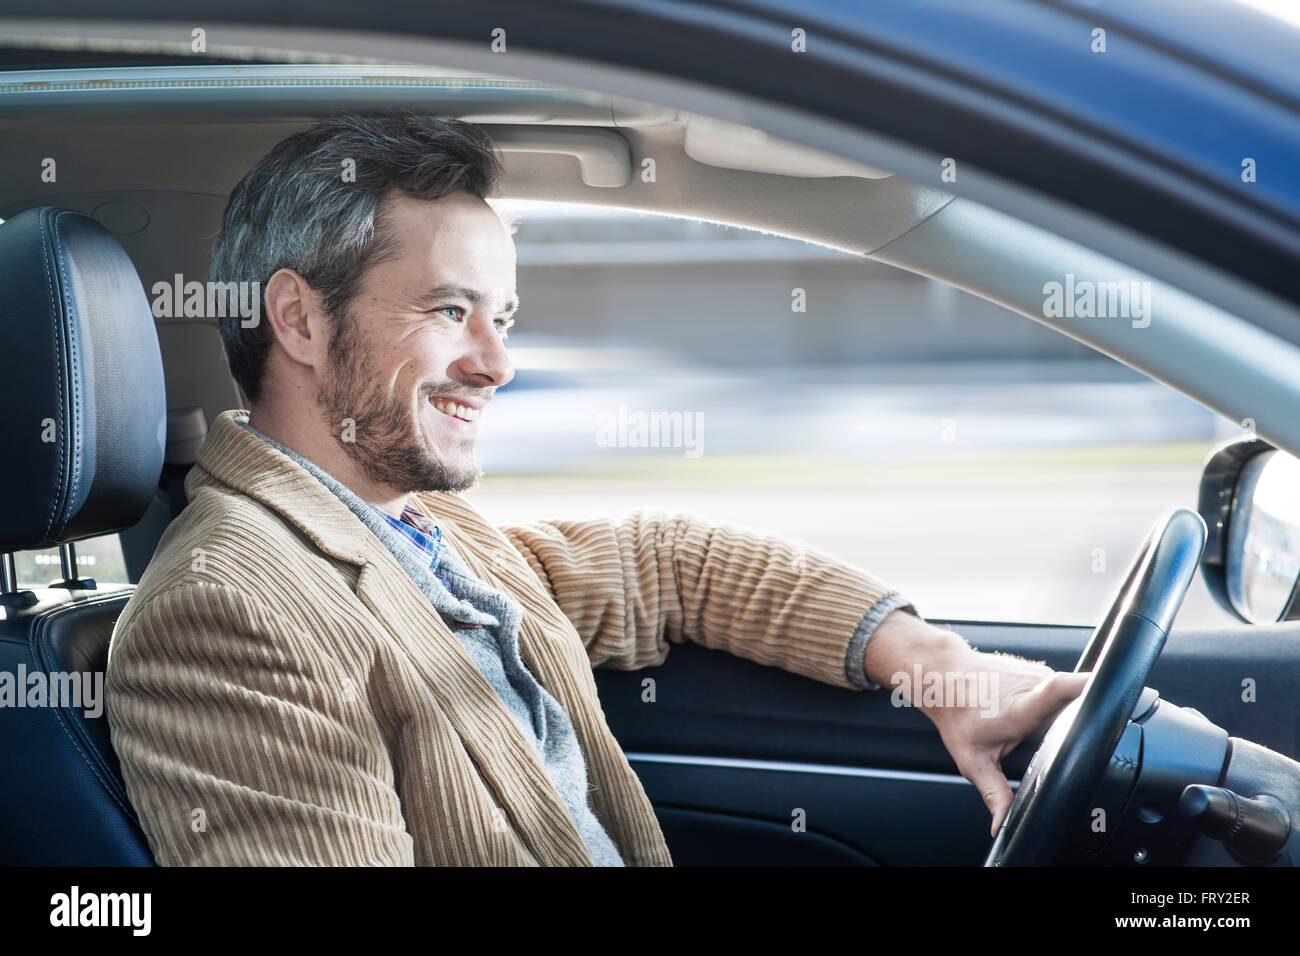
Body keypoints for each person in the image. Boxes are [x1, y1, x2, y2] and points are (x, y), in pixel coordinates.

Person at [105, 112, 1087, 866]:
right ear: (300, 319)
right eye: (452, 309)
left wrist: (938, 666)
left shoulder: (422, 528)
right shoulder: (225, 610)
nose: (496, 363)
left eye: (506, 316)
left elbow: (664, 563)